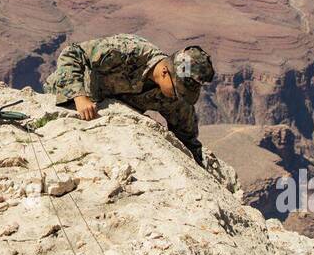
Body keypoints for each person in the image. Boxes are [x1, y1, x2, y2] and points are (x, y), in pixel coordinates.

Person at [44, 34, 215, 164]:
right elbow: (72, 54)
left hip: (105, 131)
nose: (178, 96)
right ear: (164, 72)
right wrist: (79, 96)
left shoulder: (175, 98)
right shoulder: (127, 50)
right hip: (66, 100)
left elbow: (187, 137)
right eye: (177, 89)